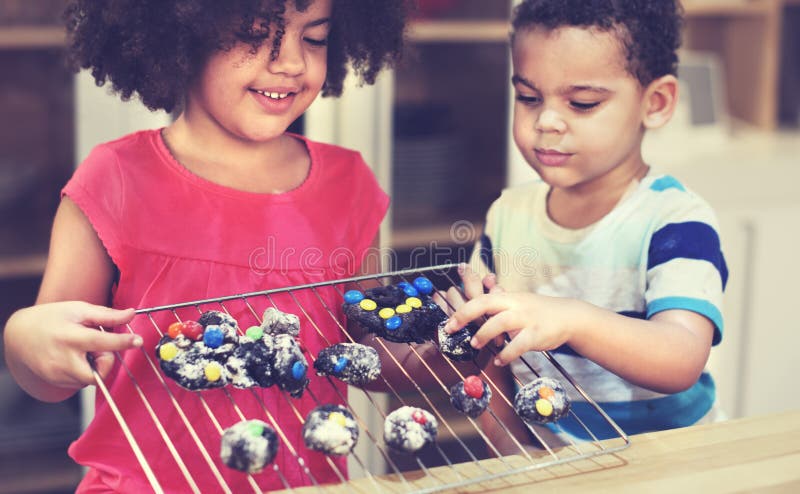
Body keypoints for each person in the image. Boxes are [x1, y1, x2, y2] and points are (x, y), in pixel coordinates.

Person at [3, 0, 408, 491]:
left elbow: (366, 352)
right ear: (182, 34)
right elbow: (51, 369)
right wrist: (24, 338)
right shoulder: (116, 179)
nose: (292, 62)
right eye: (256, 34)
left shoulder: (350, 185)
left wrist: (450, 345)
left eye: (315, 38)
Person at [443, 0, 728, 449]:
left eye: (582, 103)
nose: (547, 122)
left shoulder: (676, 220)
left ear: (655, 103)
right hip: (553, 463)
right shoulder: (508, 214)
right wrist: (517, 459)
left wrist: (573, 320)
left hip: (673, 463)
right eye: (529, 97)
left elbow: (681, 357)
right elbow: (488, 358)